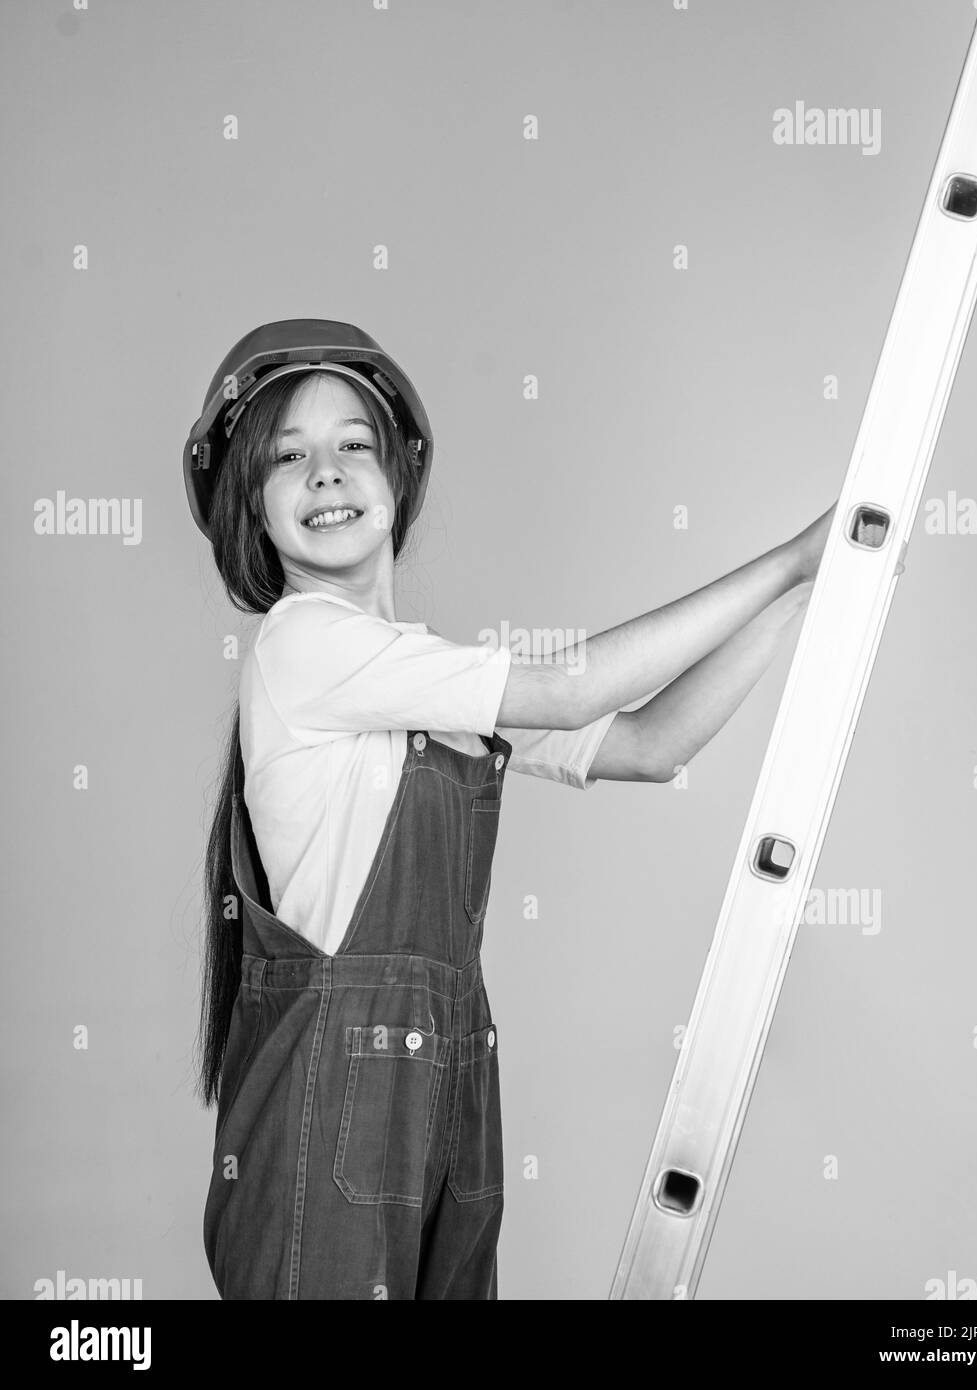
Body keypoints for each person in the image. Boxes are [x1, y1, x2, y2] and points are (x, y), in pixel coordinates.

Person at [185, 318, 833, 1301]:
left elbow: (650, 744)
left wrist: (803, 596)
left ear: (396, 476)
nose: (326, 472)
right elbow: (571, 690)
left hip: (441, 1105)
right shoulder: (300, 644)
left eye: (352, 443)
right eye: (288, 456)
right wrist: (786, 560)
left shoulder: (425, 679)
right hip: (327, 1126)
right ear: (250, 509)